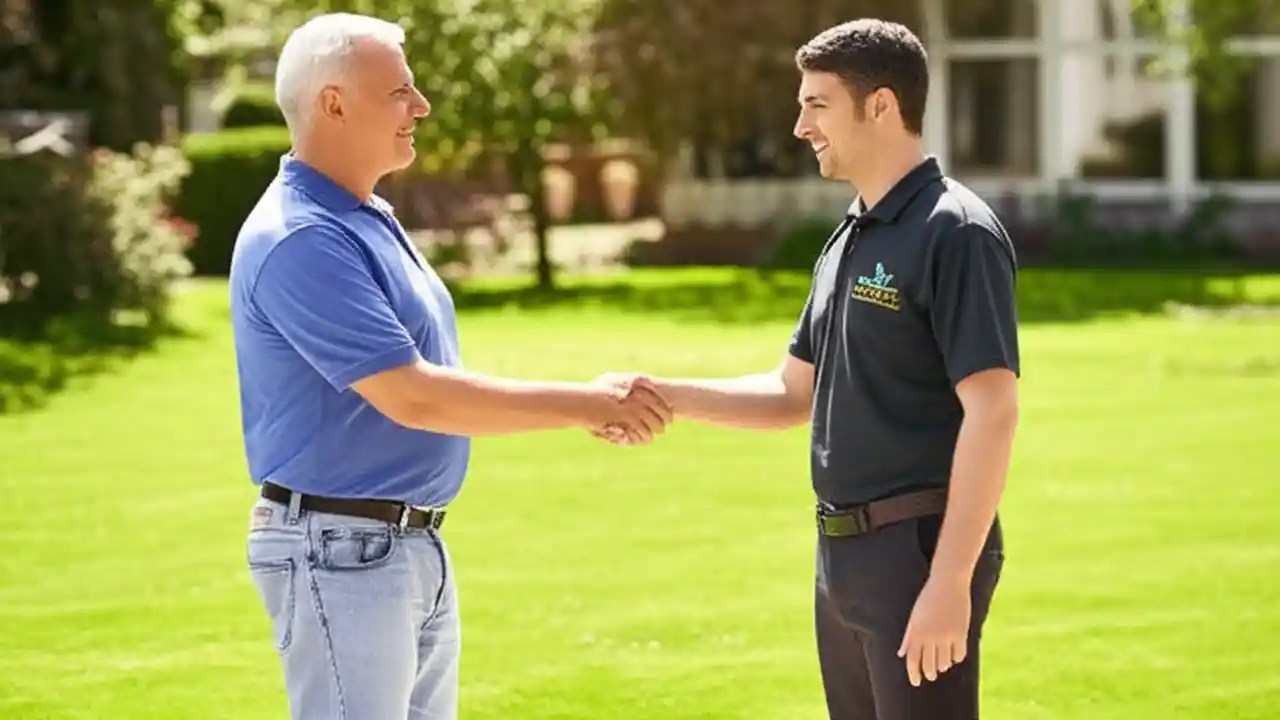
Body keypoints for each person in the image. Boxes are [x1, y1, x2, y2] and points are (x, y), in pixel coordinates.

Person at [228, 13, 671, 720]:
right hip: (342, 551)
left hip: (399, 545)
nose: (422, 106)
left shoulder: (361, 215)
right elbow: (416, 397)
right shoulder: (303, 238)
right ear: (333, 103)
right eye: (400, 90)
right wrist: (589, 404)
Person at [605, 18, 1020, 720]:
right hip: (843, 557)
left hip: (917, 553)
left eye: (816, 104)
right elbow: (793, 392)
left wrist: (949, 580)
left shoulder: (956, 231)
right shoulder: (849, 236)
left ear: (881, 106)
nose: (801, 126)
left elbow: (993, 409)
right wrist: (663, 394)